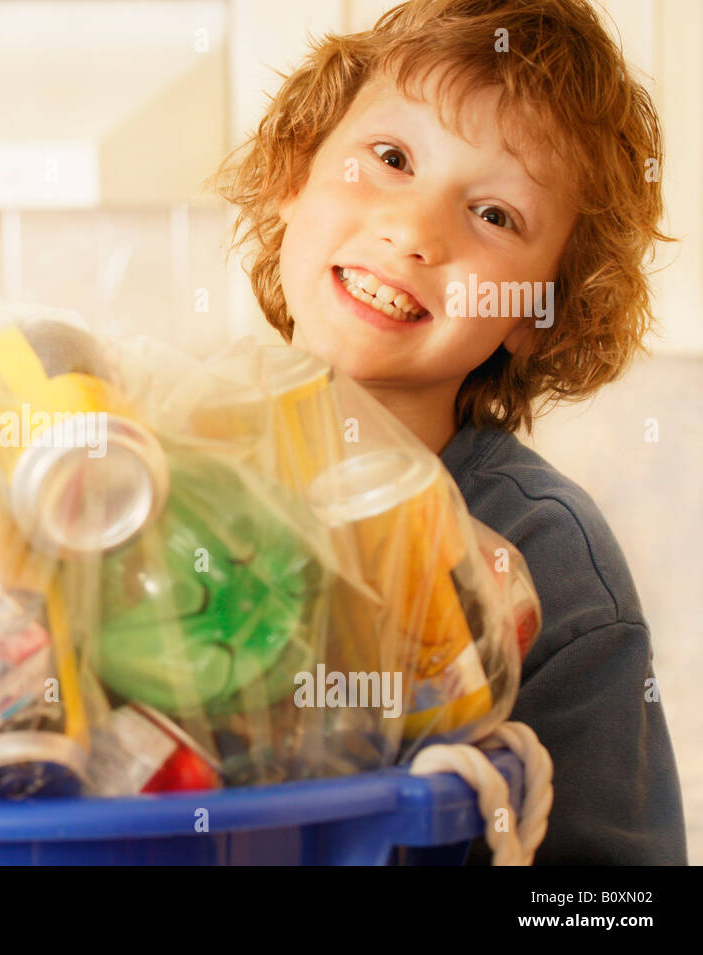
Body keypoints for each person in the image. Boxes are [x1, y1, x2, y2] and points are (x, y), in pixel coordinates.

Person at [214, 0, 687, 864]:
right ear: (295, 174)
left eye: (495, 214)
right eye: (391, 159)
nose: (414, 232)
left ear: (541, 314)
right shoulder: (170, 467)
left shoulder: (549, 556)